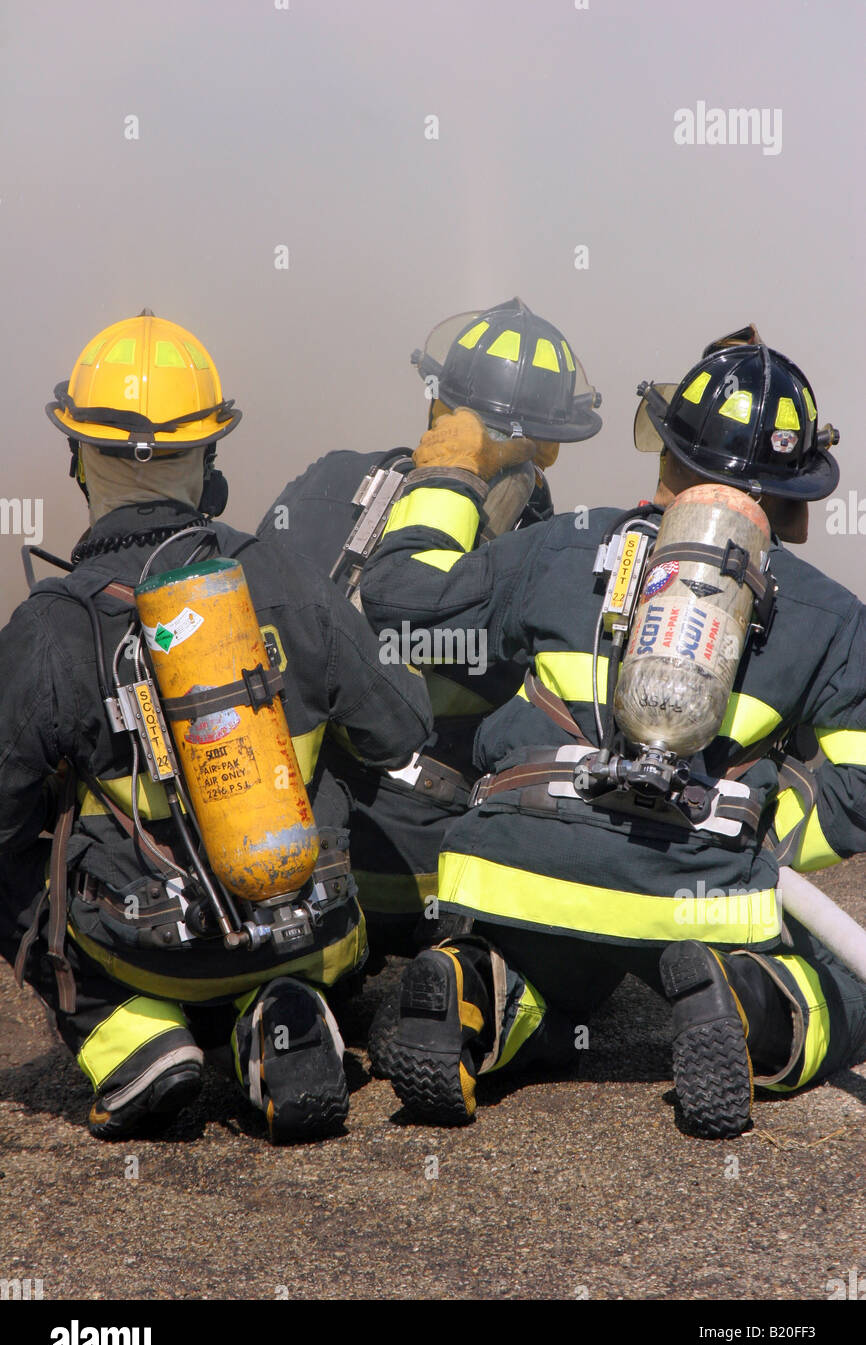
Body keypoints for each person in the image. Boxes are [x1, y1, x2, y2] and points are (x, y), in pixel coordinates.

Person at [360, 339, 866, 1138]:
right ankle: (743, 1005)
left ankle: (475, 988)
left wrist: (448, 474)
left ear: (668, 453)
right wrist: (761, 829)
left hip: (517, 879)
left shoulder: (561, 545)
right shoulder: (829, 613)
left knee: (548, 981)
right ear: (793, 495)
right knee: (847, 981)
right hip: (692, 898)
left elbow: (401, 603)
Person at [0, 309, 431, 1143]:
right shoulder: (292, 581)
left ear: (76, 459)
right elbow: (397, 735)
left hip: (142, 947)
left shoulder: (49, 627)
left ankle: (128, 1034)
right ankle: (284, 1012)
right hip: (308, 928)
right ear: (211, 463)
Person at [256, 298, 602, 975]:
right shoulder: (536, 556)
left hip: (291, 864)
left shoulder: (328, 481)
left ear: (435, 405)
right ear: (551, 447)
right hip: (433, 886)